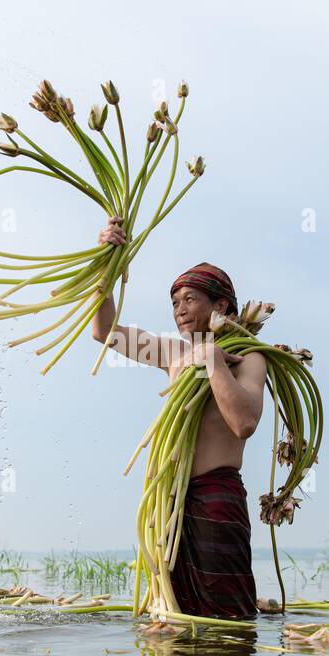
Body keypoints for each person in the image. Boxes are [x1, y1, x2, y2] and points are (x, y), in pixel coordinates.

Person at [91, 216, 266, 620]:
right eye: (174, 302)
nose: (179, 310)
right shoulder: (173, 352)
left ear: (220, 306)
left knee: (228, 619)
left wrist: (213, 362)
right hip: (169, 501)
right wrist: (107, 261)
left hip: (216, 499)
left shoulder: (250, 358)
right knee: (170, 618)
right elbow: (104, 332)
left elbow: (244, 423)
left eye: (189, 300)